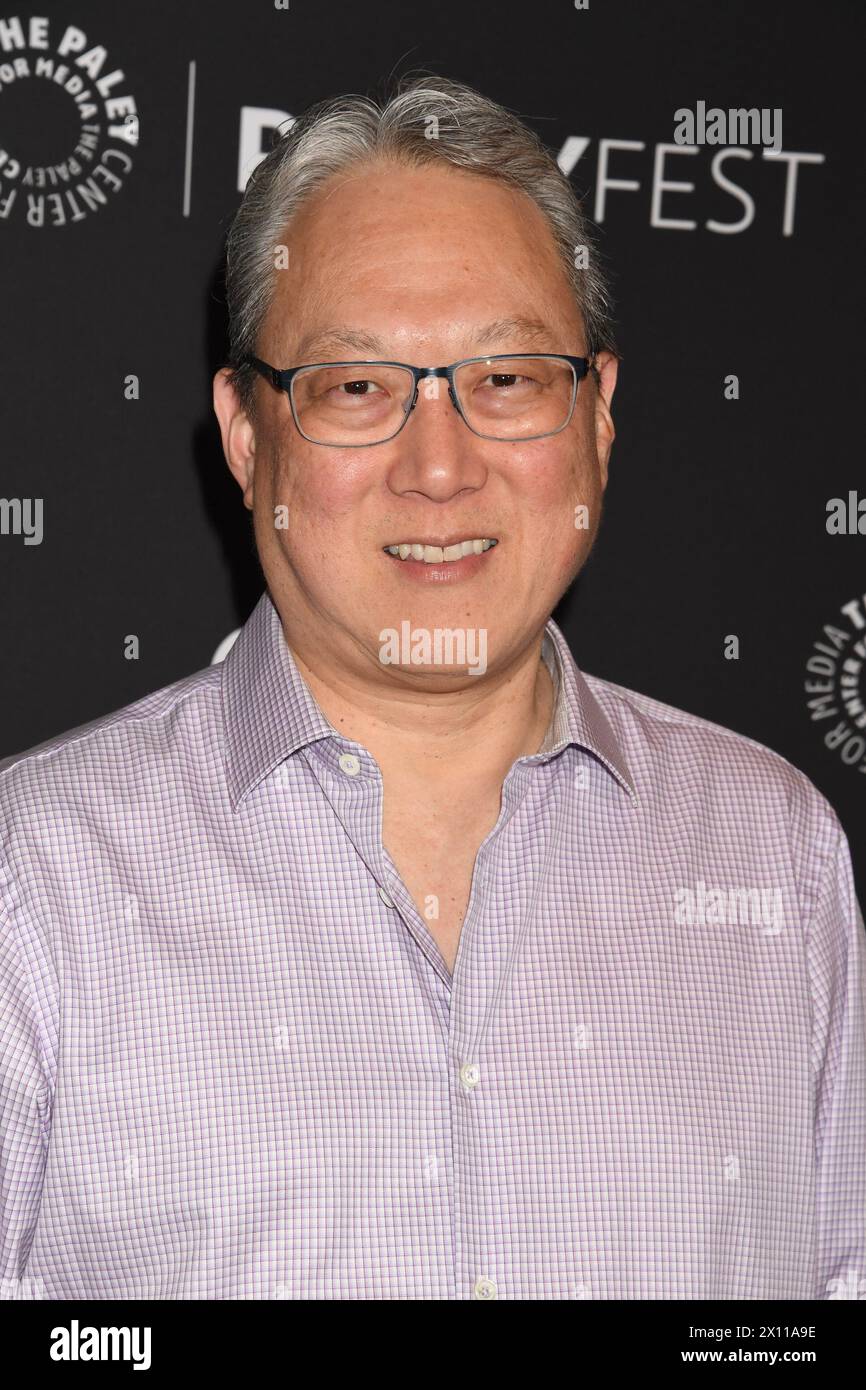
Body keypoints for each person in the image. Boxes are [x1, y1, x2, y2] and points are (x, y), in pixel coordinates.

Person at [1, 75, 863, 1301]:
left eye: (506, 379)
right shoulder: (34, 882)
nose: (441, 464)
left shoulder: (776, 857)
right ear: (249, 439)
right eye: (358, 389)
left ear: (598, 416)